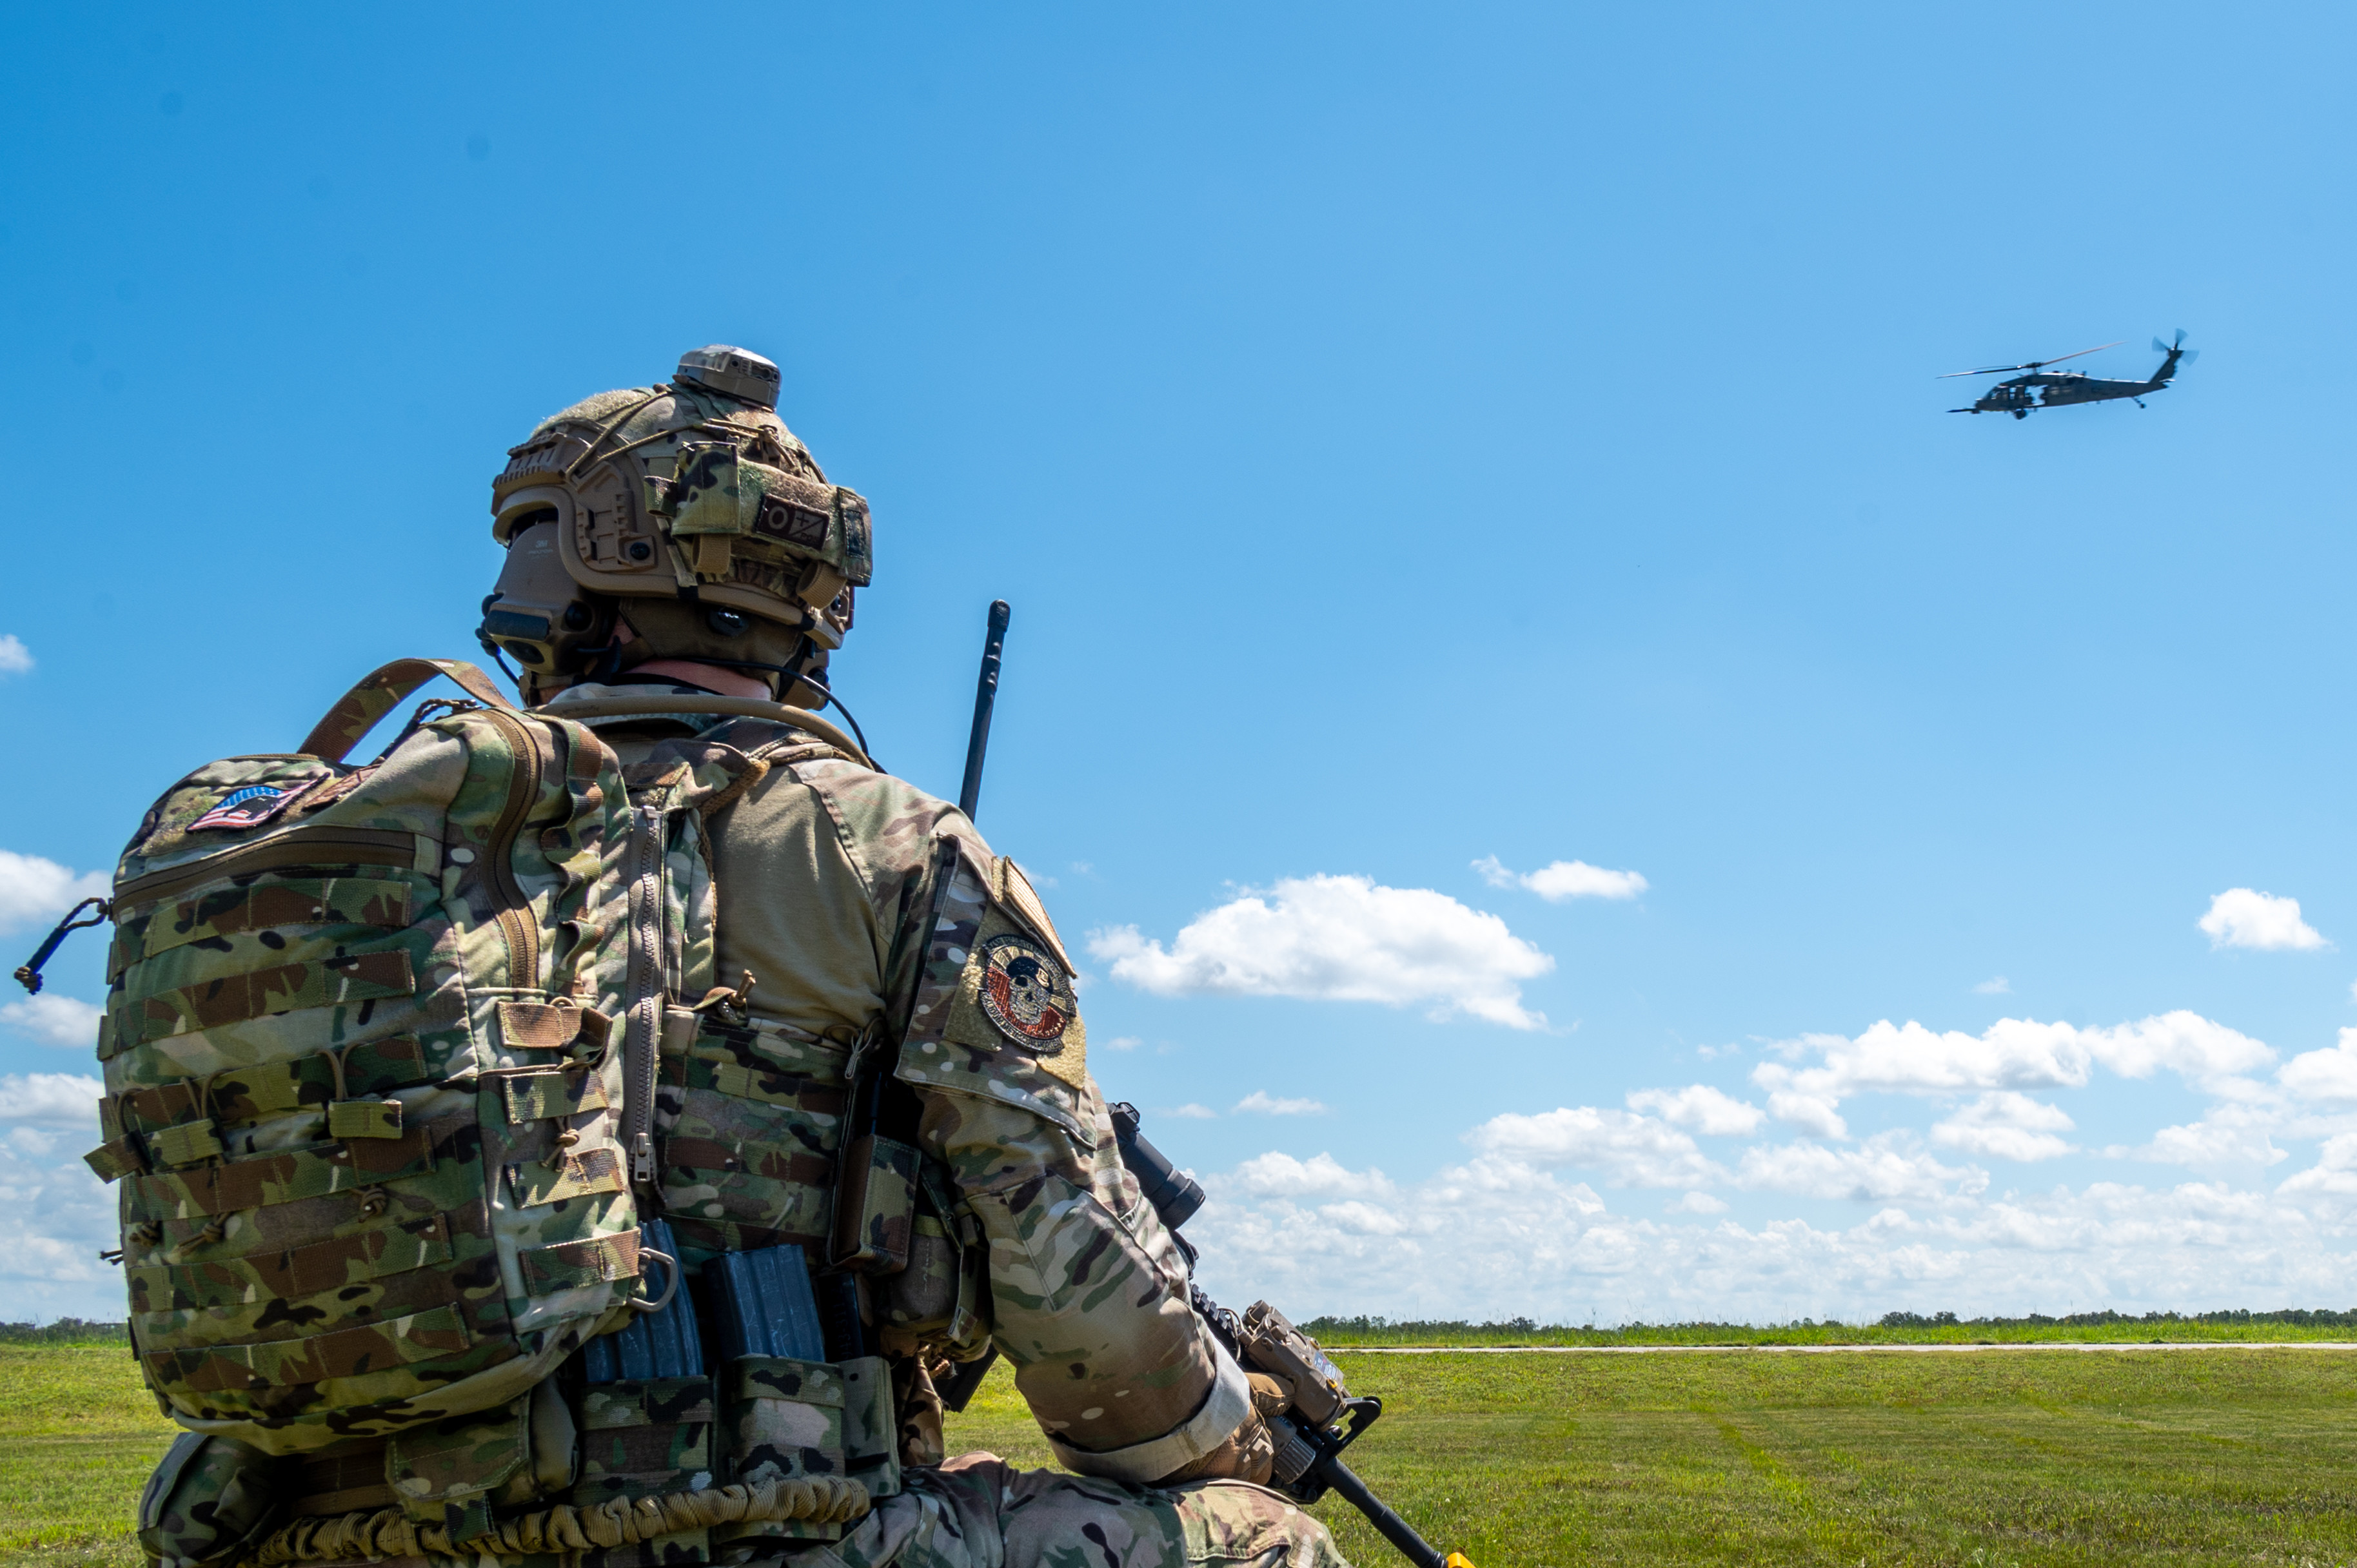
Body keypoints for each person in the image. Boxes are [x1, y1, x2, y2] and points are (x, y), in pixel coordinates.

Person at [473, 346, 1352, 1568]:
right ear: (816, 585)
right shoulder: (887, 847)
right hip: (716, 1530)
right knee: (1269, 1545)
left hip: (338, 1533)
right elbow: (1085, 1302)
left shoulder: (360, 840)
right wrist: (1236, 1431)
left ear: (555, 569)